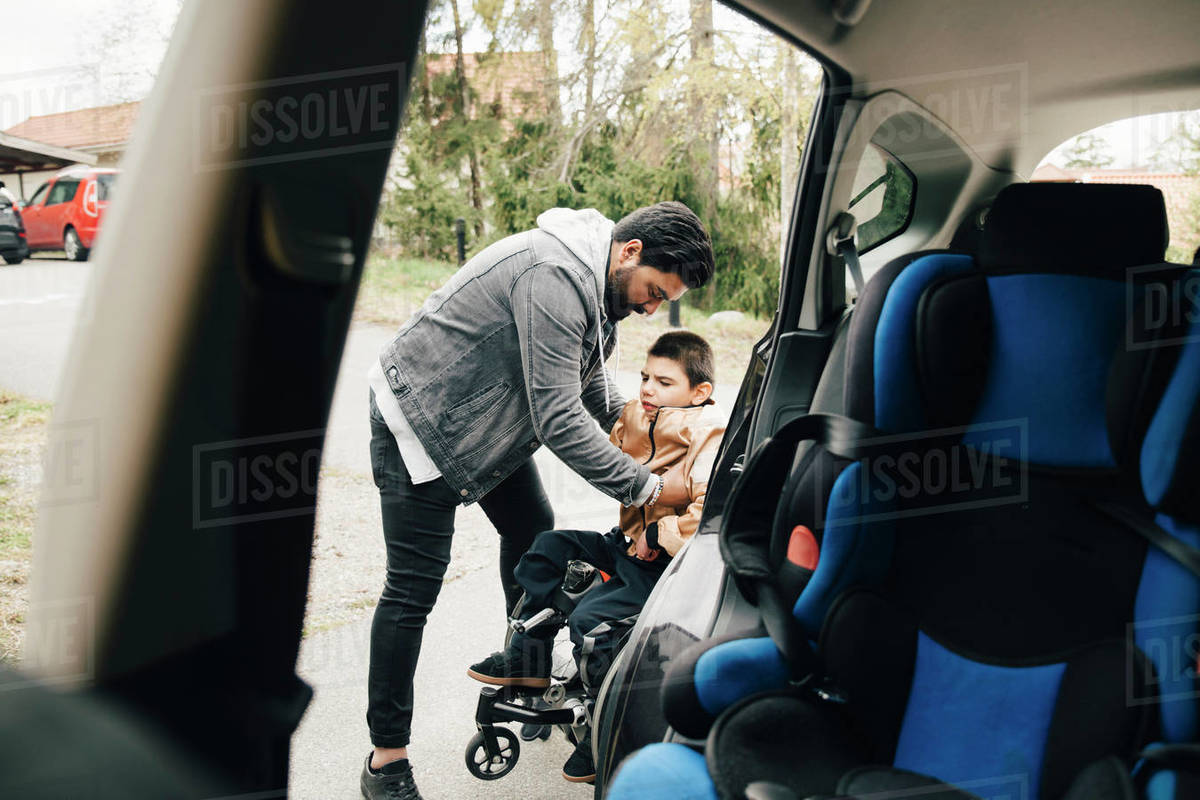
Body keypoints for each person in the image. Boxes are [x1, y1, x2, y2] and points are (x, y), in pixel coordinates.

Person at [361, 202, 715, 800]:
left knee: (532, 527)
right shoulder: (553, 275)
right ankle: (385, 761)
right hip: (421, 421)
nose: (652, 308)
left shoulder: (600, 286)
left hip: (483, 422)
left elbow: (590, 384)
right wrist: (650, 488)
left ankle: (523, 662)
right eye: (655, 291)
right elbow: (558, 417)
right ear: (630, 252)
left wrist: (673, 431)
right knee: (412, 590)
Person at [466, 330, 726, 784]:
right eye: (645, 377)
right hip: (623, 543)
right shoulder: (635, 414)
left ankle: (605, 723)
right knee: (545, 552)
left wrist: (659, 531)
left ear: (699, 392)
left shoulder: (708, 430)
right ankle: (529, 662)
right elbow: (608, 461)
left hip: (663, 564)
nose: (648, 389)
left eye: (664, 382)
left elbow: (712, 508)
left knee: (593, 621)